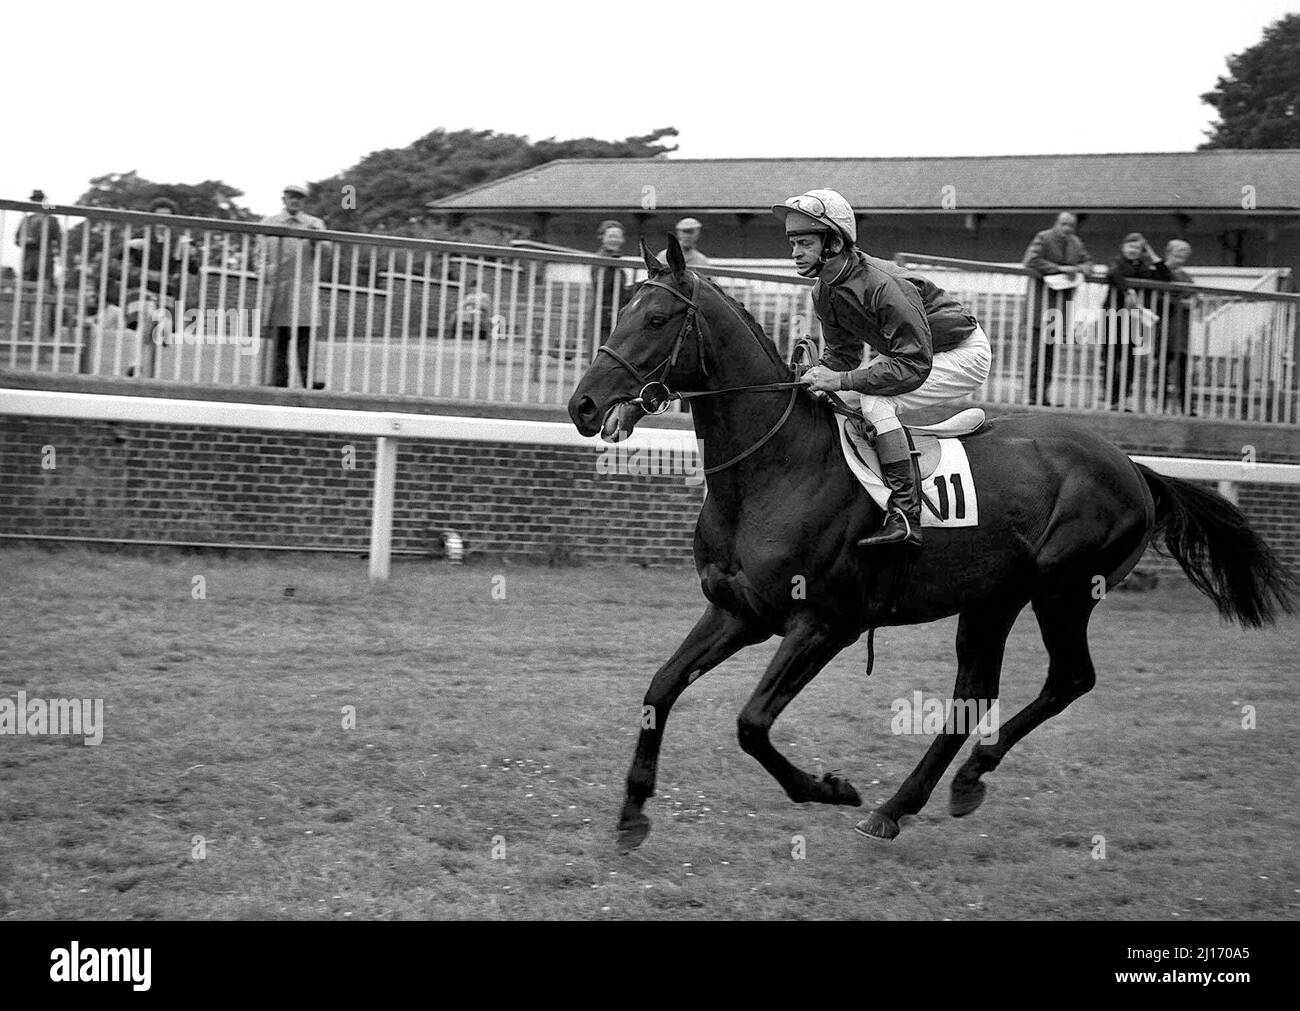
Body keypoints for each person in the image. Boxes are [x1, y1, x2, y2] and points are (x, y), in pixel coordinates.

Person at [774, 189, 991, 550]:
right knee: (836, 398)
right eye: (793, 243)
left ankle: (906, 516)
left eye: (805, 243)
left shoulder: (884, 286)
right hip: (913, 355)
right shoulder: (823, 292)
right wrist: (814, 377)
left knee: (877, 403)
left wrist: (840, 379)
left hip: (961, 353)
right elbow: (843, 357)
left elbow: (913, 365)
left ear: (834, 244)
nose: (795, 252)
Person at [260, 184, 328, 388]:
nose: (295, 201)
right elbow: (259, 255)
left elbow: (327, 253)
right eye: (291, 197)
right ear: (284, 199)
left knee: (304, 338)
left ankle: (307, 380)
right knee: (280, 339)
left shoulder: (314, 223)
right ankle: (279, 381)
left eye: (299, 198)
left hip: (304, 287)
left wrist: (318, 239)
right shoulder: (269, 223)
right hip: (279, 288)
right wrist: (265, 272)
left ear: (304, 201)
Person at [1021, 213, 1092, 406]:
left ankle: (1044, 396)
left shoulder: (1076, 243)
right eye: (1064, 224)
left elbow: (1088, 262)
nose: (1067, 228)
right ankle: (1033, 395)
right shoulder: (1043, 237)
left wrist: (1083, 267)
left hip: (1060, 308)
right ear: (1056, 223)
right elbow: (1030, 260)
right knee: (1037, 355)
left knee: (1050, 356)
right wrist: (1060, 269)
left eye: (1071, 225)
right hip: (1040, 305)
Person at [1105, 233, 1171, 410]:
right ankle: (1112, 399)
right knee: (1112, 359)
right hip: (1114, 317)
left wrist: (1153, 256)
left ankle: (1122, 399)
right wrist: (1128, 291)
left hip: (1134, 321)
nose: (1134, 251)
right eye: (1131, 247)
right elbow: (1113, 273)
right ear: (1123, 247)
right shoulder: (1116, 262)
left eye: (1138, 248)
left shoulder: (1143, 266)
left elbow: (1165, 277)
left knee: (1130, 363)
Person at [1162, 239, 1195, 414]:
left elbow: (1193, 296)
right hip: (1164, 327)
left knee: (1182, 370)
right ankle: (1161, 406)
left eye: (1184, 255)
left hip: (1181, 330)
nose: (1181, 258)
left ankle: (1187, 407)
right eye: (1178, 253)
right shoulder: (1161, 273)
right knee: (1161, 368)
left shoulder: (1186, 277)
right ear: (1169, 252)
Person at [591, 219, 631, 342]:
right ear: (602, 238)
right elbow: (602, 284)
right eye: (610, 236)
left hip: (616, 313)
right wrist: (611, 265)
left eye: (617, 237)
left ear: (622, 240)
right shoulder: (600, 260)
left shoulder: (618, 260)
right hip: (602, 315)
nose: (613, 240)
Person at [15, 189, 62, 285]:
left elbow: (60, 240)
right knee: (26, 288)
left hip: (45, 259)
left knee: (45, 287)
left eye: (39, 199)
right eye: (35, 199)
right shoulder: (26, 220)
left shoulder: (52, 220)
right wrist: (26, 241)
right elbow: (17, 239)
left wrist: (59, 255)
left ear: (43, 201)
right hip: (28, 261)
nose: (37, 201)